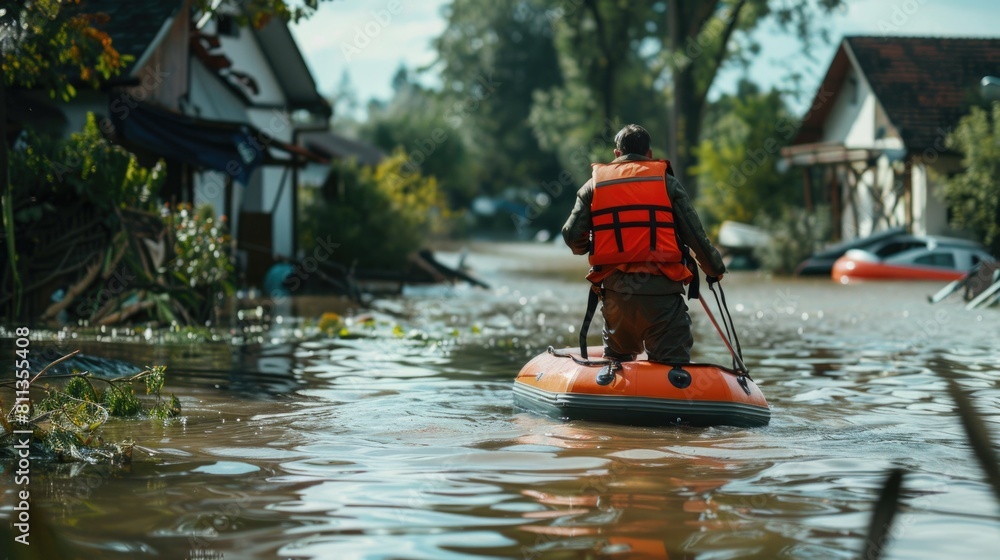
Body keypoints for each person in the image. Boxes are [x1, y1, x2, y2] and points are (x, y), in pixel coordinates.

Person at [561, 123, 726, 367]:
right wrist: (715, 269)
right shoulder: (668, 184)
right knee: (672, 367)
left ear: (617, 154)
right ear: (649, 154)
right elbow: (695, 237)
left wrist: (587, 246)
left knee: (617, 365)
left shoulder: (593, 185)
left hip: (617, 297)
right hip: (662, 298)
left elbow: (571, 234)